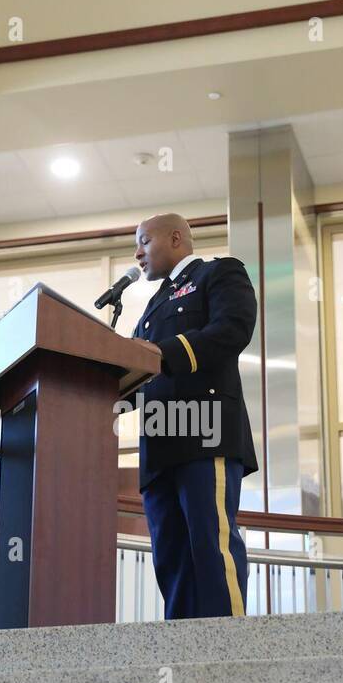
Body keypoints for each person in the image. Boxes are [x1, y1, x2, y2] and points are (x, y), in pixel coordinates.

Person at [127, 213, 258, 619]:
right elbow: (132, 370)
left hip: (204, 432)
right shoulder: (151, 306)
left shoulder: (218, 273)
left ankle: (230, 654)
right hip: (159, 446)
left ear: (177, 237)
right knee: (172, 559)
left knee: (211, 546)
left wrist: (161, 354)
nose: (138, 252)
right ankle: (182, 659)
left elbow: (233, 329)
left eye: (145, 241)